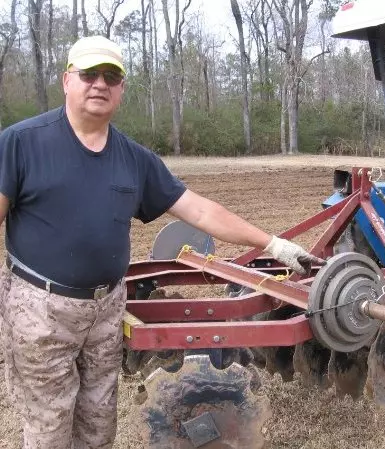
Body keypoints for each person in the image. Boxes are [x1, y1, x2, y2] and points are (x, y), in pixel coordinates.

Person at [0, 35, 325, 449]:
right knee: (48, 430)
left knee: (99, 426)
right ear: (67, 80)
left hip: (106, 309)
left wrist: (274, 245)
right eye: (89, 74)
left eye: (111, 76)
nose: (100, 83)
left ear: (121, 88)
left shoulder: (134, 159)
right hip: (41, 310)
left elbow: (202, 211)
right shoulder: (21, 144)